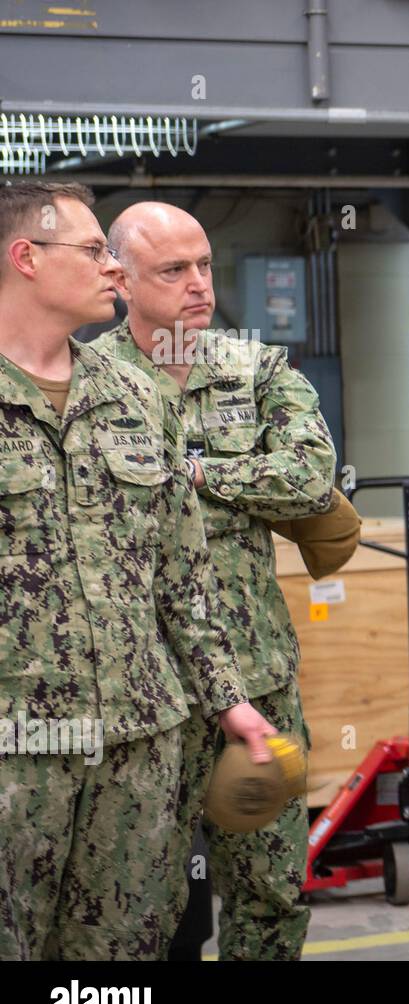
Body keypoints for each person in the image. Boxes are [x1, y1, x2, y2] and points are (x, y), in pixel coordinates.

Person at [0, 181, 273, 960]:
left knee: (122, 963)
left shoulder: (136, 397)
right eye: (94, 251)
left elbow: (183, 577)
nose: (113, 269)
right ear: (26, 258)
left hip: (139, 748)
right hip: (17, 748)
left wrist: (230, 701)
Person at [90, 201, 336, 960]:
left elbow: (311, 479)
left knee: (272, 890)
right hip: (144, 690)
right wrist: (242, 481)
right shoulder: (89, 382)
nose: (199, 284)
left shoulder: (256, 369)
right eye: (173, 270)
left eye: (204, 264)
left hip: (256, 672)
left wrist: (194, 473)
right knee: (134, 904)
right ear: (121, 281)